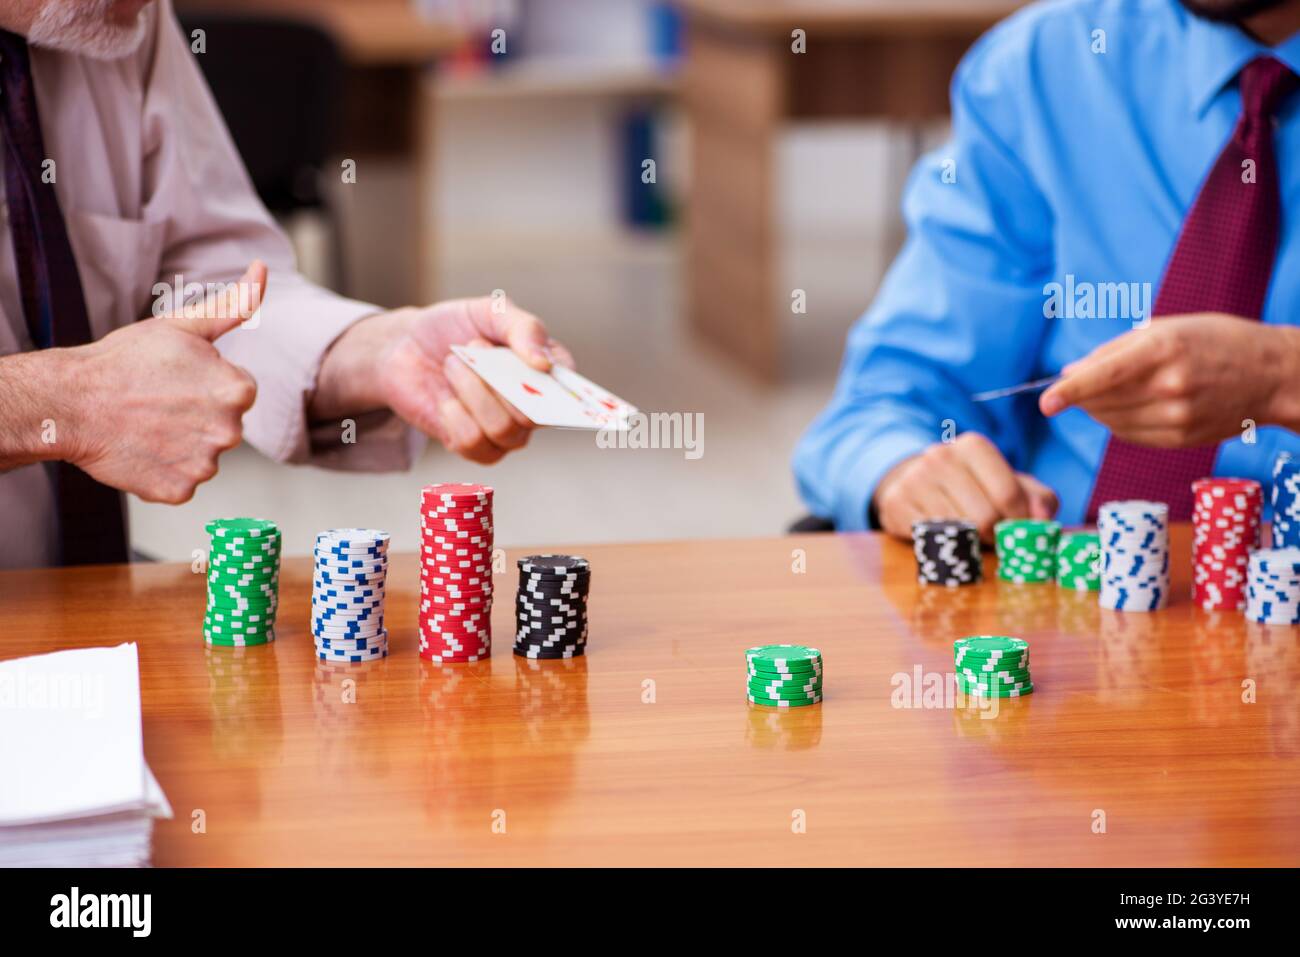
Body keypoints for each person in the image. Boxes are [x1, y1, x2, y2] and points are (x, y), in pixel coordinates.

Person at [0, 0, 573, 568]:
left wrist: (379, 353)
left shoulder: (123, 16)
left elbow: (216, 284)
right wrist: (62, 400)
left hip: (81, 591)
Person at [793, 0, 1300, 540]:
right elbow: (893, 396)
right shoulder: (1041, 66)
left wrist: (1281, 377)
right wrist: (903, 470)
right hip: (1057, 578)